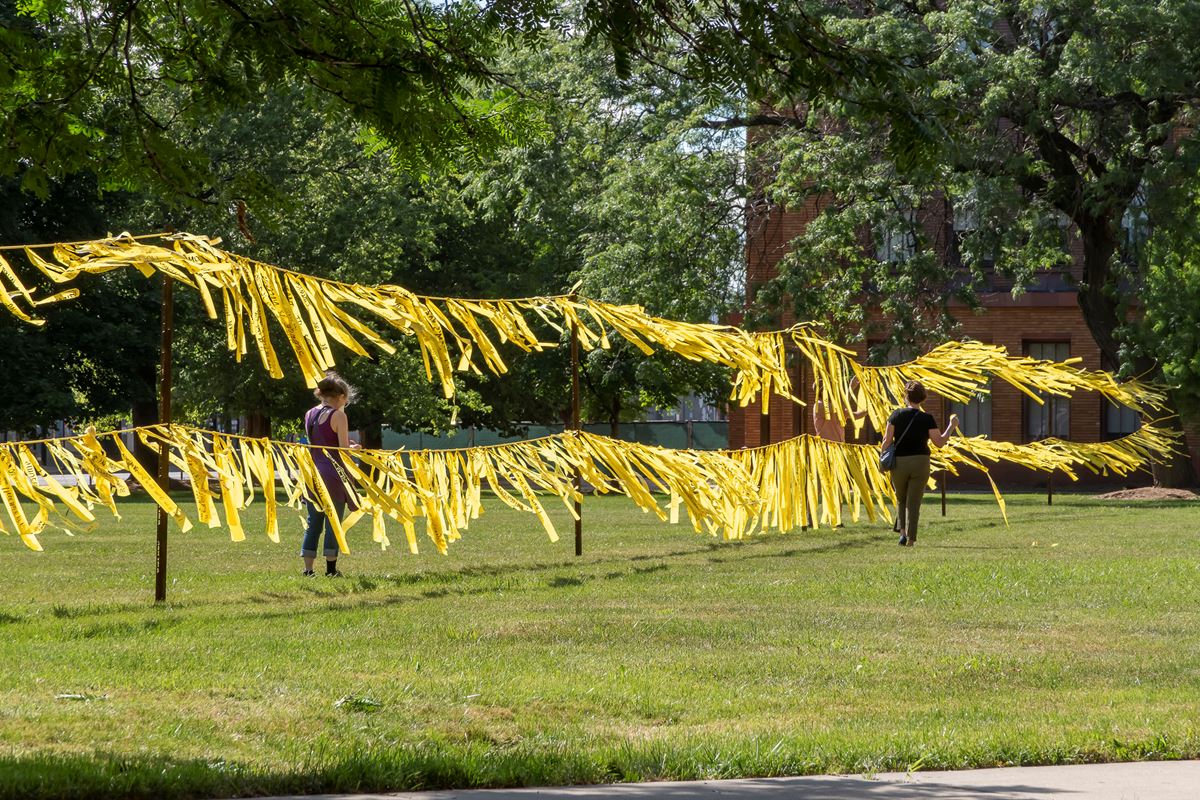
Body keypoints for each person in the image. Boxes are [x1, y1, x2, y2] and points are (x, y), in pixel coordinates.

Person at [880, 380, 958, 547]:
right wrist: (951, 426)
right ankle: (911, 539)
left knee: (901, 499)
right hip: (921, 462)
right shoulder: (927, 418)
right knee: (914, 501)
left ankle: (902, 534)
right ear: (922, 398)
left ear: (906, 396)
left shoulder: (896, 415)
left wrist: (882, 459)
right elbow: (939, 442)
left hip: (899, 462)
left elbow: (886, 440)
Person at [301, 372, 361, 576]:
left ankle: (308, 570)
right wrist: (355, 448)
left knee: (313, 521)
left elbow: (322, 441)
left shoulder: (309, 414)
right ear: (341, 396)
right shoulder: (339, 415)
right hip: (332, 473)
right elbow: (343, 449)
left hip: (312, 471)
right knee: (333, 520)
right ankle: (331, 569)